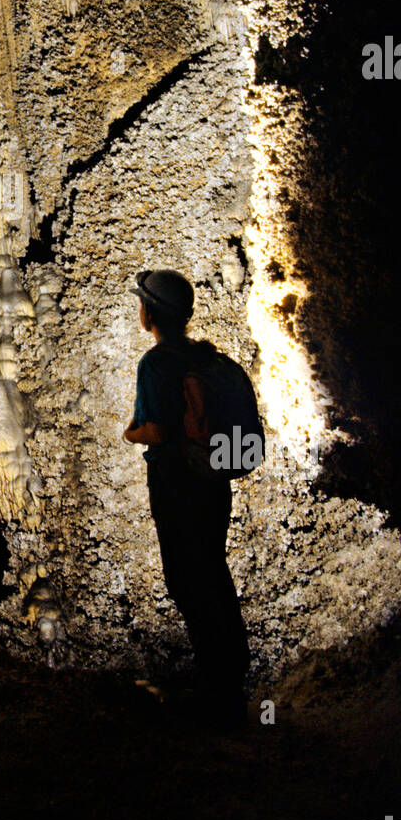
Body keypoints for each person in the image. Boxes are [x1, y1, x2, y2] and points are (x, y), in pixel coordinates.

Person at [123, 269, 250, 727]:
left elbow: (156, 429)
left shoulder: (156, 364)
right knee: (212, 569)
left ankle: (216, 689)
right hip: (213, 482)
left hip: (177, 483)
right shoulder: (206, 358)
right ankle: (230, 678)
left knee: (186, 577)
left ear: (150, 313)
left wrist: (131, 433)